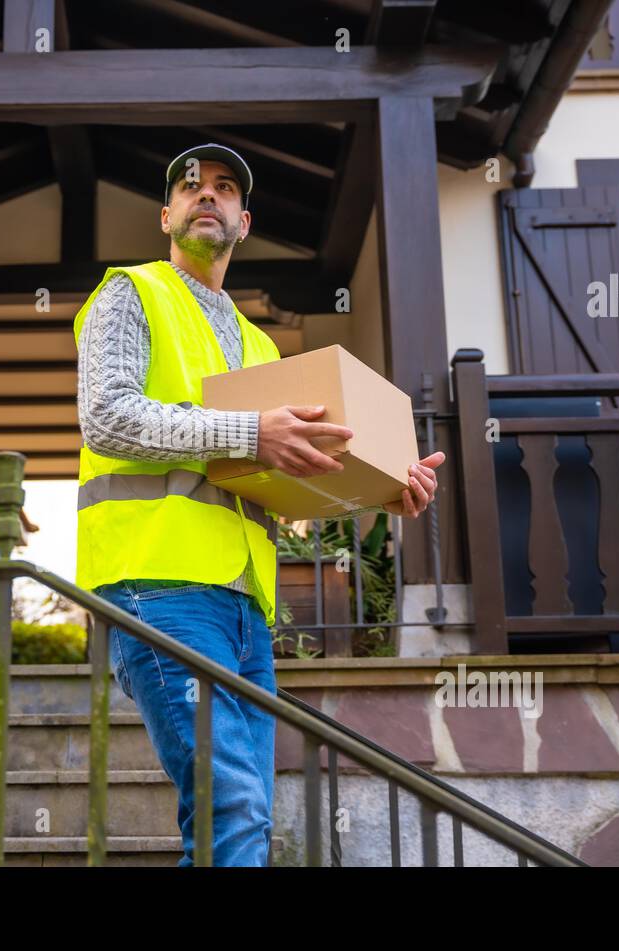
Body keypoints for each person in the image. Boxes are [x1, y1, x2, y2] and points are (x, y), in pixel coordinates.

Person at [73, 143, 444, 866]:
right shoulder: (130, 292)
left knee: (240, 815)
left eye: (223, 190)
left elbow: (286, 480)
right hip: (157, 587)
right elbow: (108, 416)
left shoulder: (260, 346)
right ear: (166, 215)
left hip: (245, 607)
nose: (206, 195)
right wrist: (251, 429)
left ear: (245, 222)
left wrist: (380, 492)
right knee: (233, 800)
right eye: (190, 188)